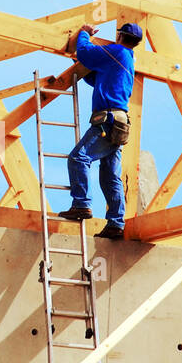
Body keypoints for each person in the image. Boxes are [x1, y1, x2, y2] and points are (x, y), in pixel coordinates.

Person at [58, 22, 142, 239]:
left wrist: (84, 33)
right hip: (119, 122)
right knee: (109, 175)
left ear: (120, 37)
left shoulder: (117, 51)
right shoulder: (126, 59)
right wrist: (82, 67)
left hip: (107, 120)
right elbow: (96, 78)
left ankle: (82, 204)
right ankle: (115, 223)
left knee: (78, 158)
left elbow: (85, 53)